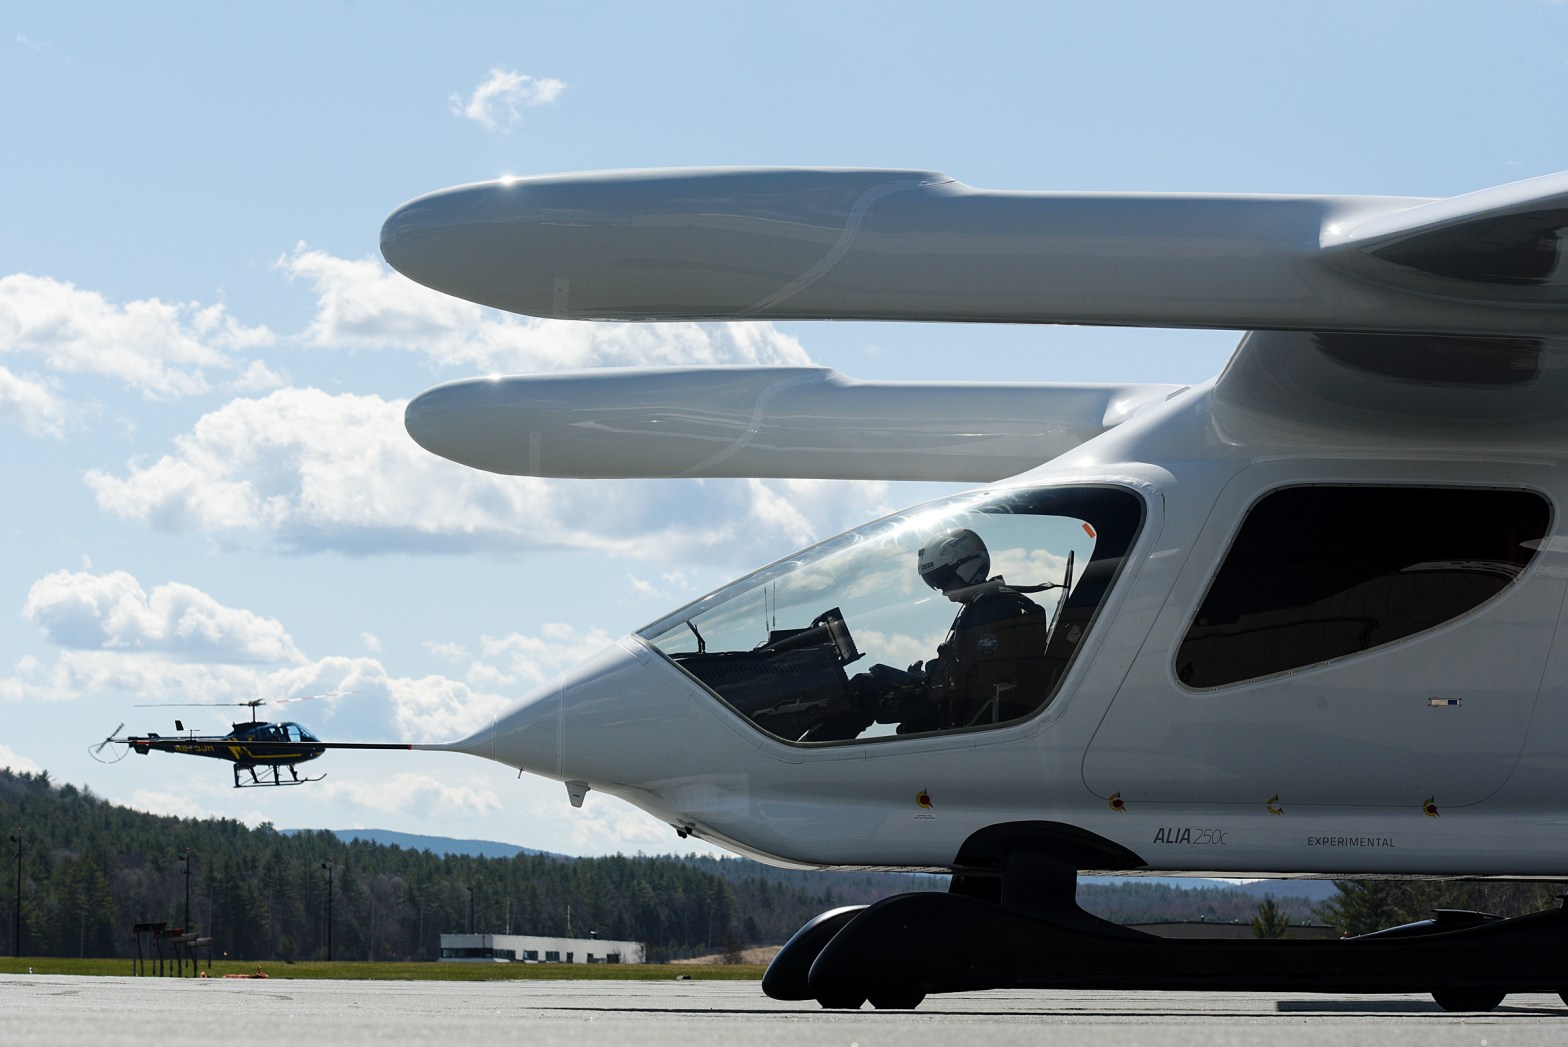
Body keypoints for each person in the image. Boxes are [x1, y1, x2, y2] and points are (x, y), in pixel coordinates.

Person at [902, 528, 1050, 731]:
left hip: (987, 731)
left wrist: (935, 681)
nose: (942, 589)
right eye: (934, 582)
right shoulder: (982, 607)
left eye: (943, 578)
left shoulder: (993, 610)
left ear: (968, 567)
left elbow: (980, 684)